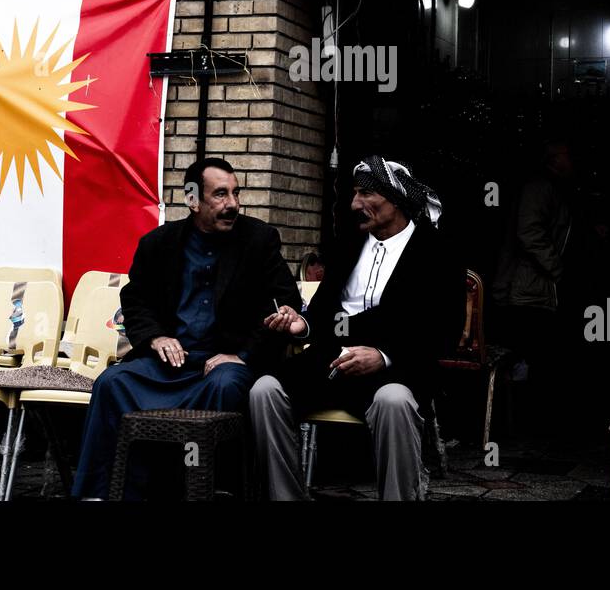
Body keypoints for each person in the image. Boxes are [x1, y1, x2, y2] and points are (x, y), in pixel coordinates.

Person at [71, 157, 299, 499]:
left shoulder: (259, 240)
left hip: (222, 365)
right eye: (220, 195)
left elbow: (284, 302)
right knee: (111, 383)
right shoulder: (157, 243)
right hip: (168, 366)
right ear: (192, 199)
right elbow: (135, 302)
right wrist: (156, 337)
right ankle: (101, 494)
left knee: (226, 386)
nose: (233, 205)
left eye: (236, 194)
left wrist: (241, 354)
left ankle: (210, 492)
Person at [250, 155, 464, 500]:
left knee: (394, 401)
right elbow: (322, 316)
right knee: (264, 390)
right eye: (354, 194)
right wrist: (299, 324)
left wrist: (383, 355)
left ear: (395, 199)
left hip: (397, 366)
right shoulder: (347, 245)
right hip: (331, 361)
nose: (355, 204)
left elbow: (444, 330)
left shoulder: (436, 252)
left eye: (366, 194)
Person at [490, 139, 574, 422]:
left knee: (533, 354)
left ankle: (529, 420)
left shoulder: (553, 189)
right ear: (552, 159)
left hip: (534, 287)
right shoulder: (539, 188)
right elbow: (529, 233)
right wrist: (557, 268)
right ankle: (525, 421)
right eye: (566, 154)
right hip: (526, 289)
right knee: (527, 353)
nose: (572, 159)